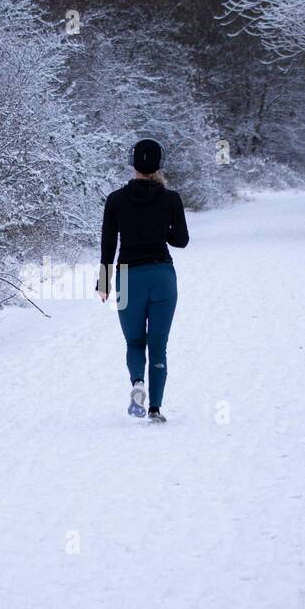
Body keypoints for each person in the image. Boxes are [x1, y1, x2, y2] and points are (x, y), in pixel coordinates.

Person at [96, 139, 189, 423]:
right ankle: (156, 409)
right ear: (159, 164)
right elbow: (181, 241)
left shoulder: (115, 200)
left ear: (133, 163)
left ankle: (138, 383)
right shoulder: (171, 198)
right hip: (162, 276)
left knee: (134, 341)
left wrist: (103, 282)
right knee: (158, 344)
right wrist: (163, 230)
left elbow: (108, 244)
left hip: (127, 277)